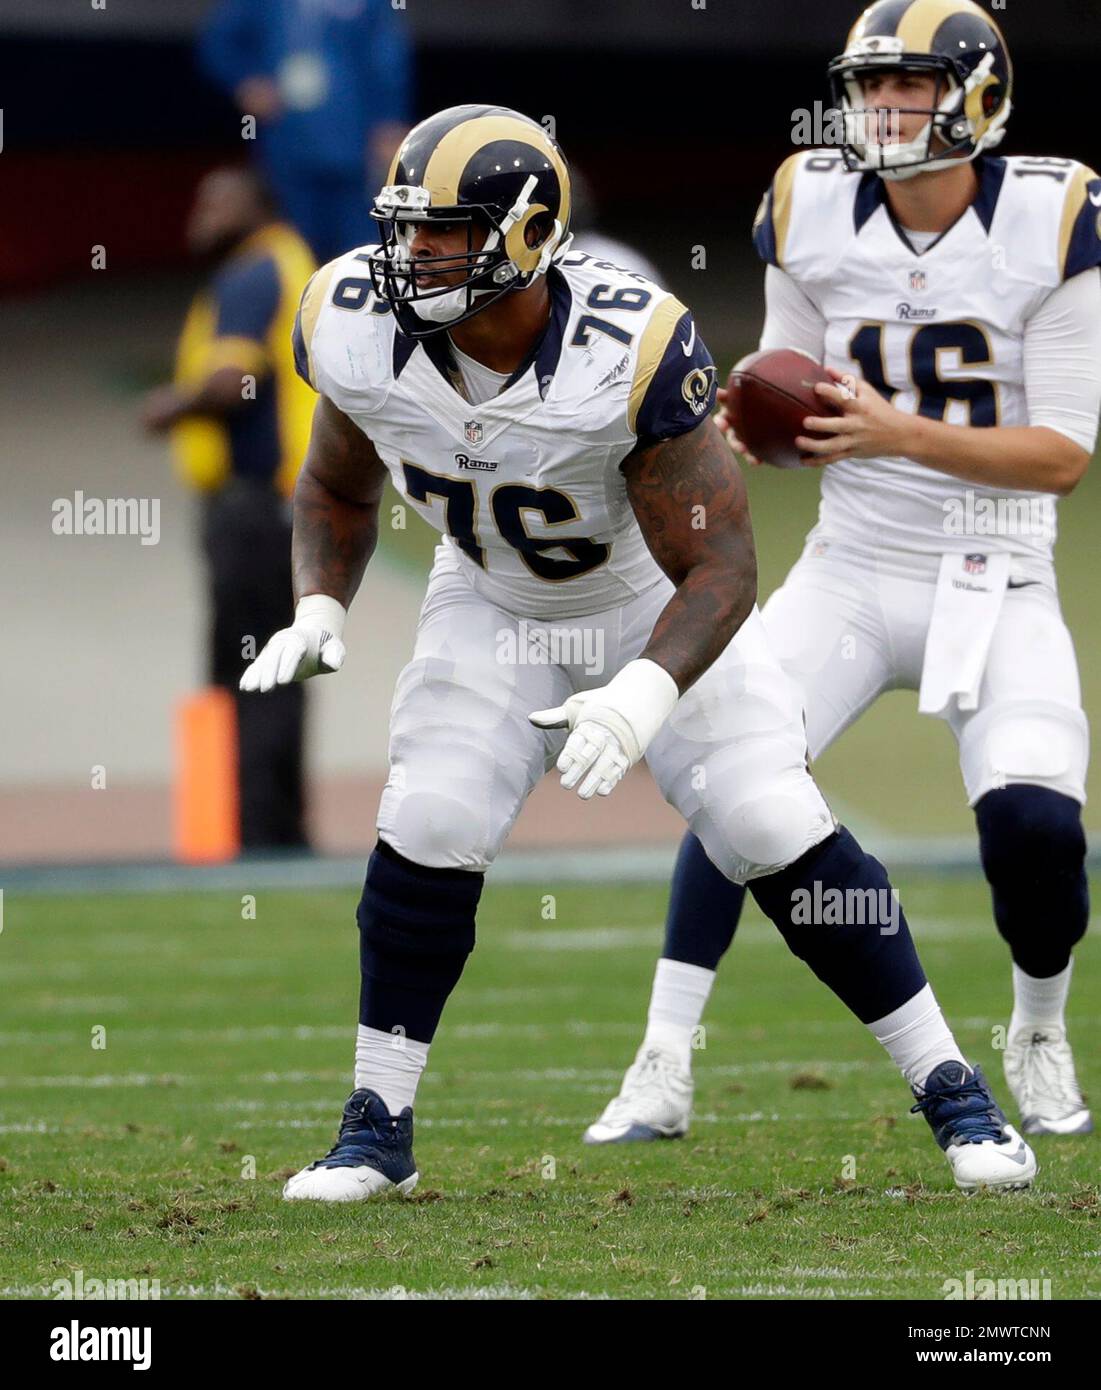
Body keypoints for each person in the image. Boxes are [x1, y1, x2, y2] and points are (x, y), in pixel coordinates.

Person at [241, 103, 1035, 1201]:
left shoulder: (633, 347)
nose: (408, 254)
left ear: (524, 237)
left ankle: (957, 1091)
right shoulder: (349, 317)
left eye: (442, 232)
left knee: (766, 819)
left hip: (644, 600)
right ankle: (377, 1128)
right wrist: (320, 607)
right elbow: (336, 481)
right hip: (487, 602)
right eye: (404, 227)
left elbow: (722, 565)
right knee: (426, 817)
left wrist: (642, 692)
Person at [587, 0, 1100, 1147]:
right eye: (870, 86)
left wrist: (892, 430)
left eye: (907, 85)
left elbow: (1064, 455)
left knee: (1034, 830)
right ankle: (664, 1059)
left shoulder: (1052, 213)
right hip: (854, 562)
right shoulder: (809, 199)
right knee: (735, 771)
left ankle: (1038, 1022)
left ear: (975, 98)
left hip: (999, 570)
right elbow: (792, 385)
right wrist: (749, 422)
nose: (879, 108)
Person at [143, 166, 317, 851]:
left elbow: (234, 382)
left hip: (257, 508)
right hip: (277, 510)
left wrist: (165, 405)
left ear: (258, 209)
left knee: (252, 669)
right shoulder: (282, 263)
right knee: (272, 668)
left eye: (219, 199)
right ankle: (266, 829)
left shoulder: (255, 271)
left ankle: (256, 837)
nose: (202, 211)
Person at [197, 0, 412, 263]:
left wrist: (390, 120)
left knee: (363, 250)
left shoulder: (371, 5)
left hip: (354, 149)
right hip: (287, 148)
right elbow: (219, 43)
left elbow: (387, 56)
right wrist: (245, 82)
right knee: (293, 248)